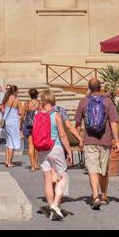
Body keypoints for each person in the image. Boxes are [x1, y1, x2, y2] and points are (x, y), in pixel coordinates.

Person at [74, 78, 119, 210]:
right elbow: (114, 121)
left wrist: (80, 139)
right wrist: (116, 139)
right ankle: (104, 195)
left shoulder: (83, 101)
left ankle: (95, 195)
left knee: (92, 169)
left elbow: (77, 123)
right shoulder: (107, 101)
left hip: (89, 141)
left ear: (89, 88)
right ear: (100, 87)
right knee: (103, 170)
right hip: (105, 140)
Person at [35, 91, 77, 221]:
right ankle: (55, 204)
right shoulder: (56, 115)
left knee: (47, 180)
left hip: (42, 149)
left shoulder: (38, 115)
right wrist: (69, 151)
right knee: (62, 176)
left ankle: (51, 206)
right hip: (56, 147)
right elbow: (63, 135)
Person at [0, 85, 22, 168]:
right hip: (14, 122)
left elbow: (1, 109)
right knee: (13, 142)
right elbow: (20, 112)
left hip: (6, 121)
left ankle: (7, 160)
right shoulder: (17, 100)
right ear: (15, 91)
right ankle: (9, 162)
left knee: (8, 141)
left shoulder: (6, 98)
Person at [24, 88, 41, 171]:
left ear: (30, 95)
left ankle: (32, 166)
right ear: (37, 95)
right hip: (37, 125)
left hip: (29, 125)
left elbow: (22, 113)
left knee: (31, 145)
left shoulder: (27, 103)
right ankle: (36, 163)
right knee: (37, 146)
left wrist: (20, 125)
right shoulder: (39, 103)